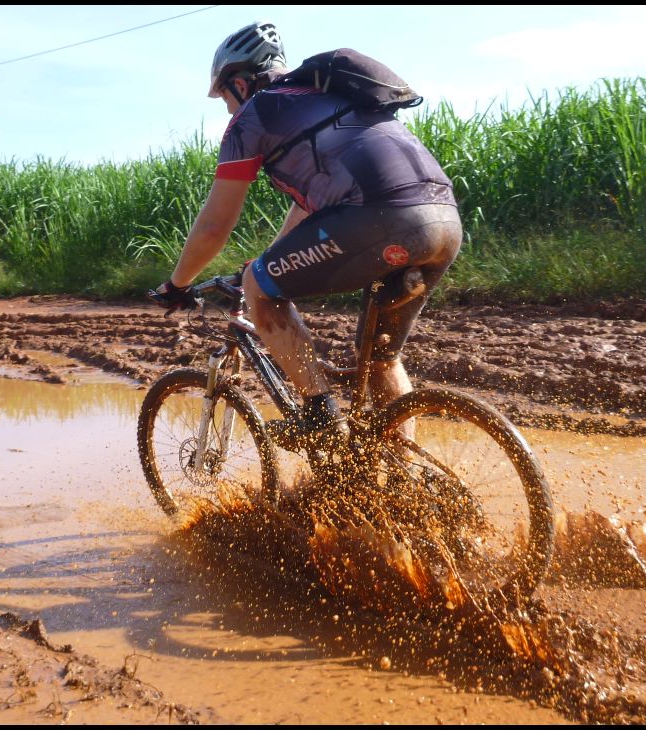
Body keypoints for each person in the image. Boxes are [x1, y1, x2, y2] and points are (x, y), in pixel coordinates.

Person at [150, 20, 462, 447]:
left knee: (258, 288)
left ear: (240, 83)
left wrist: (177, 284)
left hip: (377, 218)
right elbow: (310, 205)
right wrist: (272, 256)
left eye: (223, 94)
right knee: (381, 358)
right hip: (443, 221)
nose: (225, 107)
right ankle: (402, 475)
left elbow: (214, 224)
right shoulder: (332, 97)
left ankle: (319, 416)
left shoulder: (252, 117)